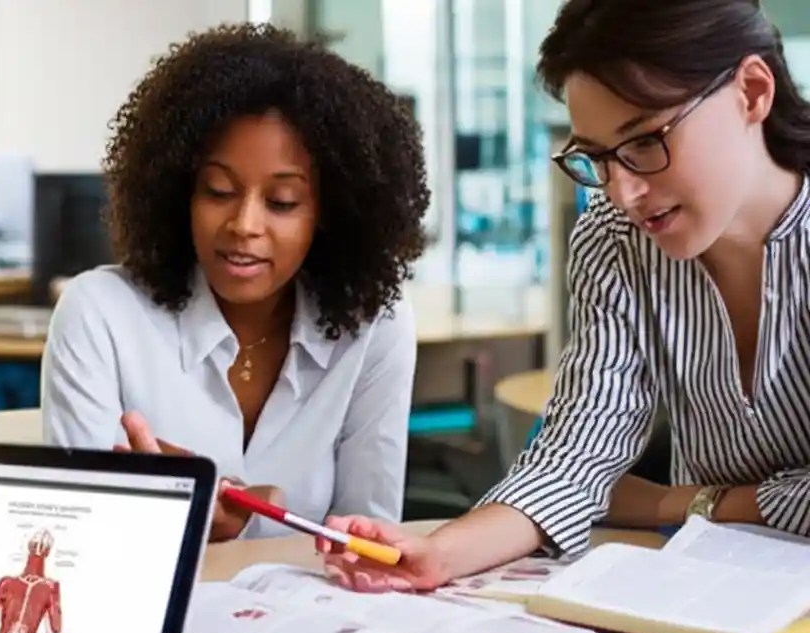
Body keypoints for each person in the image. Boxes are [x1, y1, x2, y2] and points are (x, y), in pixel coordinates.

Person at [321, 0, 810, 593]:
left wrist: (676, 504)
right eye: (598, 158)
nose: (624, 191)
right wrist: (437, 553)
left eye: (644, 142)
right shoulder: (615, 236)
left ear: (752, 92)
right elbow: (577, 453)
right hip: (710, 591)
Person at [41, 23, 429, 541]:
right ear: (180, 192)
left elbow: (368, 539)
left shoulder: (374, 323)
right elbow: (73, 542)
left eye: (282, 202)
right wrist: (177, 523)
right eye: (218, 191)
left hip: (312, 620)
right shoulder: (100, 314)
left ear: (330, 211)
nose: (244, 225)